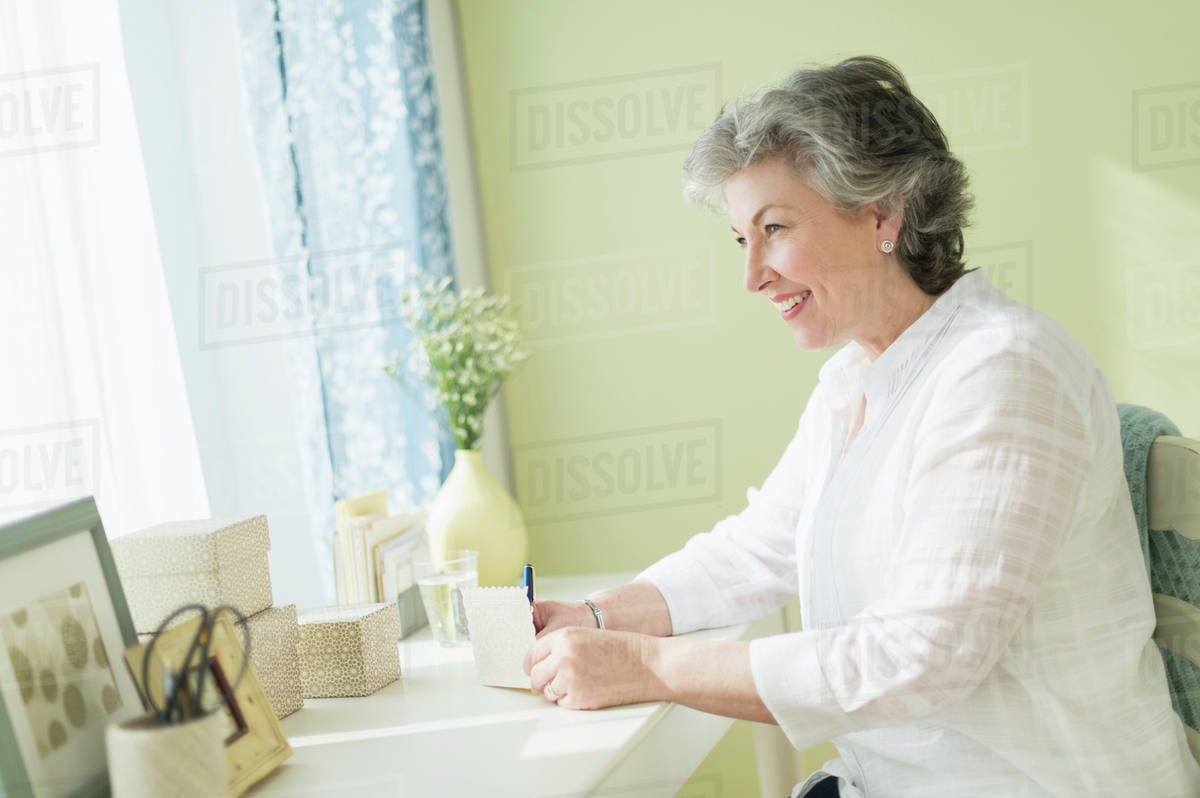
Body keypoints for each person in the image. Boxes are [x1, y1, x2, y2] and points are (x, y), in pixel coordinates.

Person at [522, 55, 1200, 797]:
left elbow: (923, 658)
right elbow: (759, 546)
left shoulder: (1005, 371)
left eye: (775, 228)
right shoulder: (856, 379)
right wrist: (596, 614)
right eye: (742, 239)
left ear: (883, 213)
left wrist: (647, 666)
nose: (752, 276)